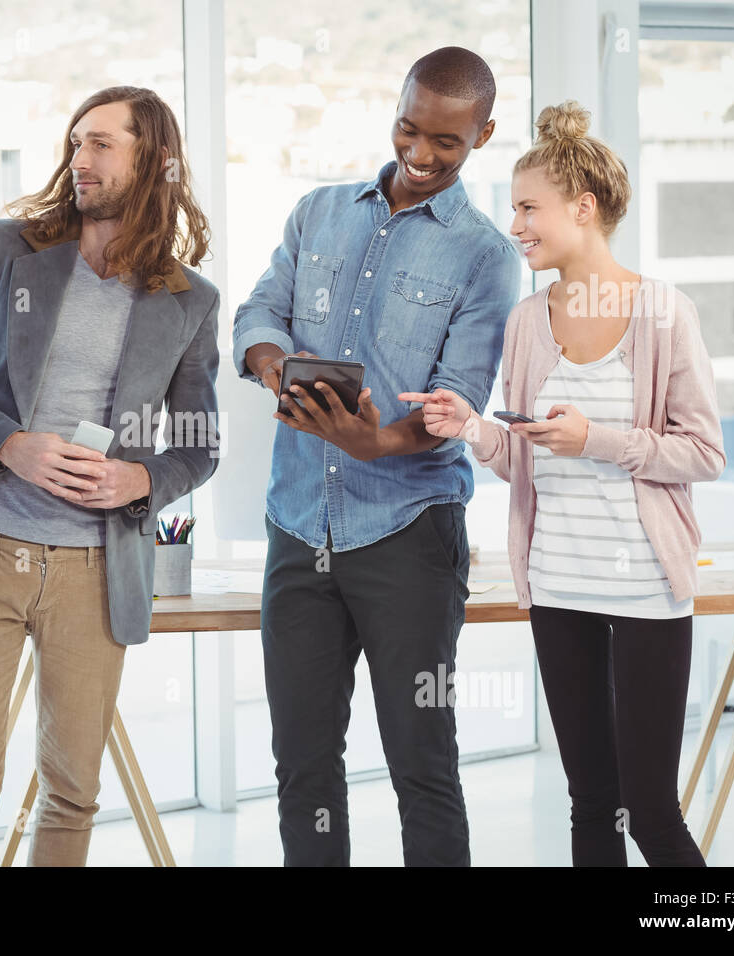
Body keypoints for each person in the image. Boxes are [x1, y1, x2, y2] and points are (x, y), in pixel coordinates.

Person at [0, 86, 220, 867]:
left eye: (103, 144)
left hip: (95, 567)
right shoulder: (10, 249)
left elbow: (199, 443)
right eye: (76, 142)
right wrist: (11, 445)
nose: (81, 160)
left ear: (154, 161)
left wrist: (139, 482)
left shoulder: (190, 299)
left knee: (73, 790)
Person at [400, 100, 725, 866]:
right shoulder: (525, 321)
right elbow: (527, 459)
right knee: (592, 808)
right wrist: (472, 426)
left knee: (651, 812)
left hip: (645, 586)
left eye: (528, 208)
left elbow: (705, 453)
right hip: (557, 585)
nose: (514, 225)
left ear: (583, 209)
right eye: (512, 208)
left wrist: (598, 440)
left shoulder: (663, 313)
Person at [233, 47, 521, 866]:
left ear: (482, 135)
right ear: (393, 110)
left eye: (447, 143)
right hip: (297, 526)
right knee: (303, 766)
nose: (421, 155)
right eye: (408, 129)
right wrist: (274, 367)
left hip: (408, 534)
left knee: (422, 766)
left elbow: (456, 401)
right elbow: (261, 308)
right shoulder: (319, 211)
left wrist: (377, 442)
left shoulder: (486, 257)